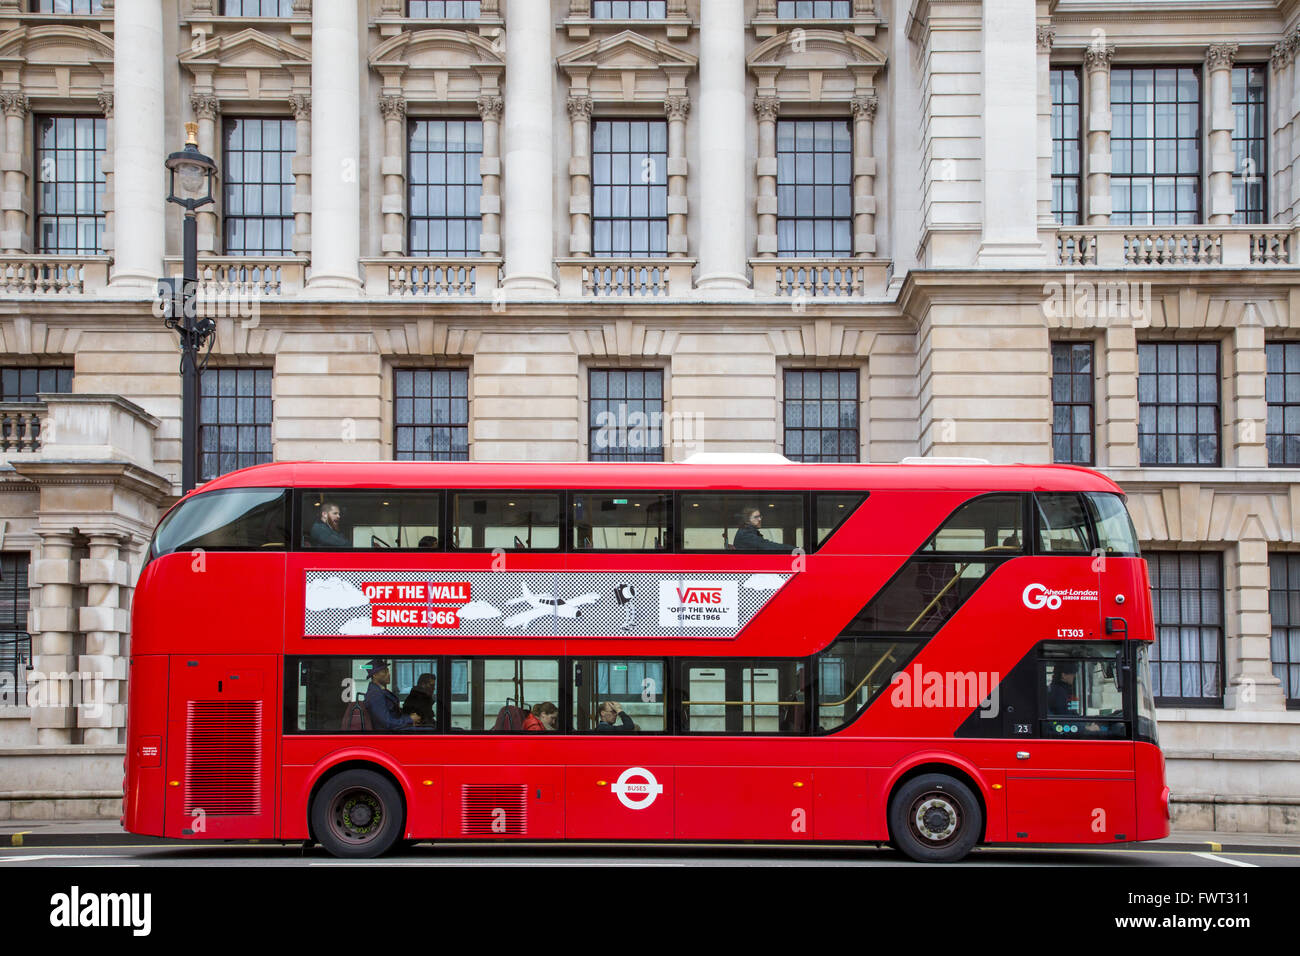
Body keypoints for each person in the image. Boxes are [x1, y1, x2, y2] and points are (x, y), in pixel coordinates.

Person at [362, 658, 420, 731]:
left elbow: (393, 711)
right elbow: (387, 723)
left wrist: (410, 717)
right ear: (375, 675)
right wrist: (409, 719)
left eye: (388, 671)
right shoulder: (375, 694)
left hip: (398, 727)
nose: (388, 674)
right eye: (384, 671)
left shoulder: (381, 691)